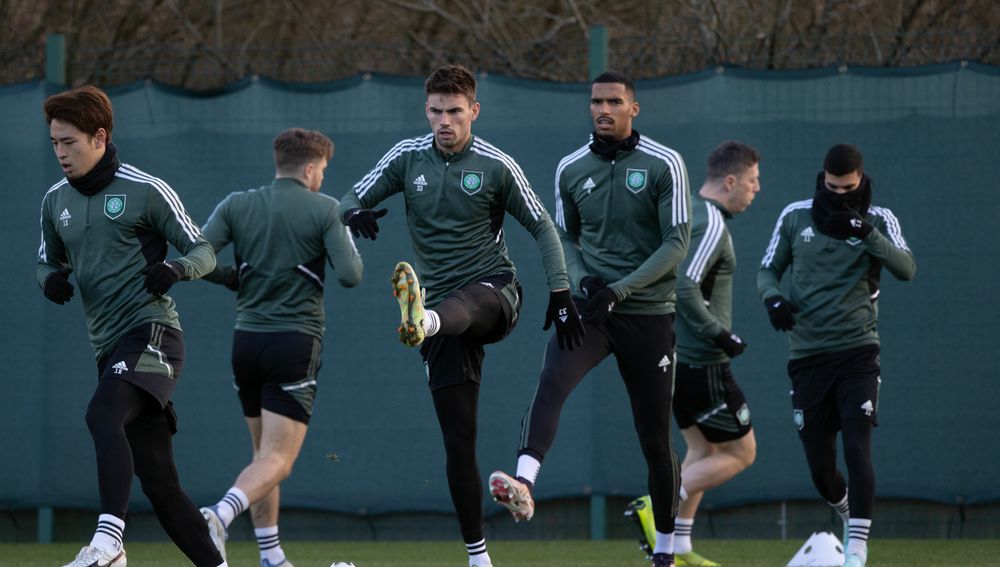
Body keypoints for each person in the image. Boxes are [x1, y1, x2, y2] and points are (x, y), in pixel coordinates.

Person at [338, 64, 584, 567]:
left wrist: (561, 294)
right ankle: (478, 557)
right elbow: (348, 197)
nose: (444, 121)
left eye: (454, 111)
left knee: (466, 302)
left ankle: (422, 320)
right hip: (437, 310)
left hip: (495, 293)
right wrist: (352, 213)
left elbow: (543, 228)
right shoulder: (407, 159)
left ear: (474, 110)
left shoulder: (495, 165)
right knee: (458, 439)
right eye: (435, 111)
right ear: (425, 110)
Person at [487, 70, 691, 567]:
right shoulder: (571, 167)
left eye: (614, 101)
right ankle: (525, 483)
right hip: (591, 308)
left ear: (633, 109)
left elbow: (676, 242)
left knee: (654, 437)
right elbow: (566, 238)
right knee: (552, 379)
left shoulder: (665, 163)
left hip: (647, 313)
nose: (603, 108)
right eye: (597, 101)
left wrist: (620, 289)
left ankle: (665, 549)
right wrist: (585, 284)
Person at [37, 85, 225, 567]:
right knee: (162, 486)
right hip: (109, 347)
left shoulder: (145, 189)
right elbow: (45, 262)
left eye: (70, 142)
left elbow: (203, 250)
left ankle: (109, 541)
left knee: (102, 415)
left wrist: (176, 269)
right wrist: (50, 280)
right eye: (54, 142)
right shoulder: (54, 202)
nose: (60, 153)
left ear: (100, 137)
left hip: (155, 334)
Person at [197, 128, 363, 567]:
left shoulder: (237, 203)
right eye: (323, 171)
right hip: (293, 344)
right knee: (278, 461)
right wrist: (346, 235)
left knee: (261, 458)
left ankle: (271, 556)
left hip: (245, 344)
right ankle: (218, 515)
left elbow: (198, 253)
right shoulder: (326, 209)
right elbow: (350, 275)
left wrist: (234, 277)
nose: (323, 179)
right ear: (310, 169)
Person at [758, 144, 915, 567]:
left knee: (858, 448)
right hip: (807, 353)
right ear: (822, 178)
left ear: (861, 179)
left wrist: (865, 232)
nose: (840, 194)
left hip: (858, 350)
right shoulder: (795, 216)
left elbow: (906, 268)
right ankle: (847, 516)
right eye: (832, 187)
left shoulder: (880, 219)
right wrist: (773, 299)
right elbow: (767, 270)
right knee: (821, 470)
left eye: (848, 188)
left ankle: (857, 551)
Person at [626, 141, 761, 567]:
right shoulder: (712, 222)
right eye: (754, 181)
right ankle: (656, 502)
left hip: (671, 354)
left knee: (702, 452)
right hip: (702, 360)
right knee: (742, 453)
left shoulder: (683, 212)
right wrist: (720, 335)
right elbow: (686, 285)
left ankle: (678, 544)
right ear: (730, 181)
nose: (757, 189)